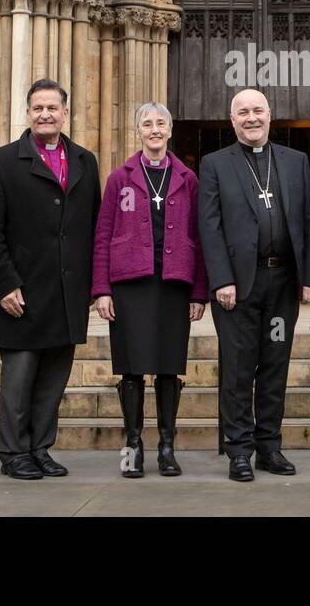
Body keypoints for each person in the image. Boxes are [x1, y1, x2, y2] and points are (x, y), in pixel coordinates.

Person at [0, 80, 99, 480]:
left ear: (66, 113)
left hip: (67, 292)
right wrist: (4, 284)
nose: (45, 114)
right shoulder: (2, 162)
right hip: (22, 292)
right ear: (28, 113)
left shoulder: (84, 161)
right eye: (38, 108)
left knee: (53, 380)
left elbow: (93, 227)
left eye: (52, 107)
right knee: (19, 379)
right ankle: (14, 452)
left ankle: (40, 448)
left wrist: (93, 285)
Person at [197, 88, 310, 482]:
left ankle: (269, 447)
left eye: (257, 111)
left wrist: (309, 278)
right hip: (238, 287)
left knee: (274, 366)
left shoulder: (295, 161)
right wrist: (222, 279)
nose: (251, 118)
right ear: (232, 120)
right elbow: (209, 227)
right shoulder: (215, 164)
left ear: (270, 114)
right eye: (243, 112)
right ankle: (239, 450)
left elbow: (307, 219)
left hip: (282, 284)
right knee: (237, 369)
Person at [92, 103, 208, 478]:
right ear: (137, 131)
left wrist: (199, 292)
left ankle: (167, 448)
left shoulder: (188, 179)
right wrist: (101, 290)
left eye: (161, 123)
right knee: (131, 368)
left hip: (174, 283)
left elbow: (199, 237)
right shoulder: (119, 178)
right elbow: (102, 235)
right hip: (130, 286)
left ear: (170, 130)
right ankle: (133, 447)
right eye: (147, 124)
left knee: (169, 367)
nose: (154, 129)